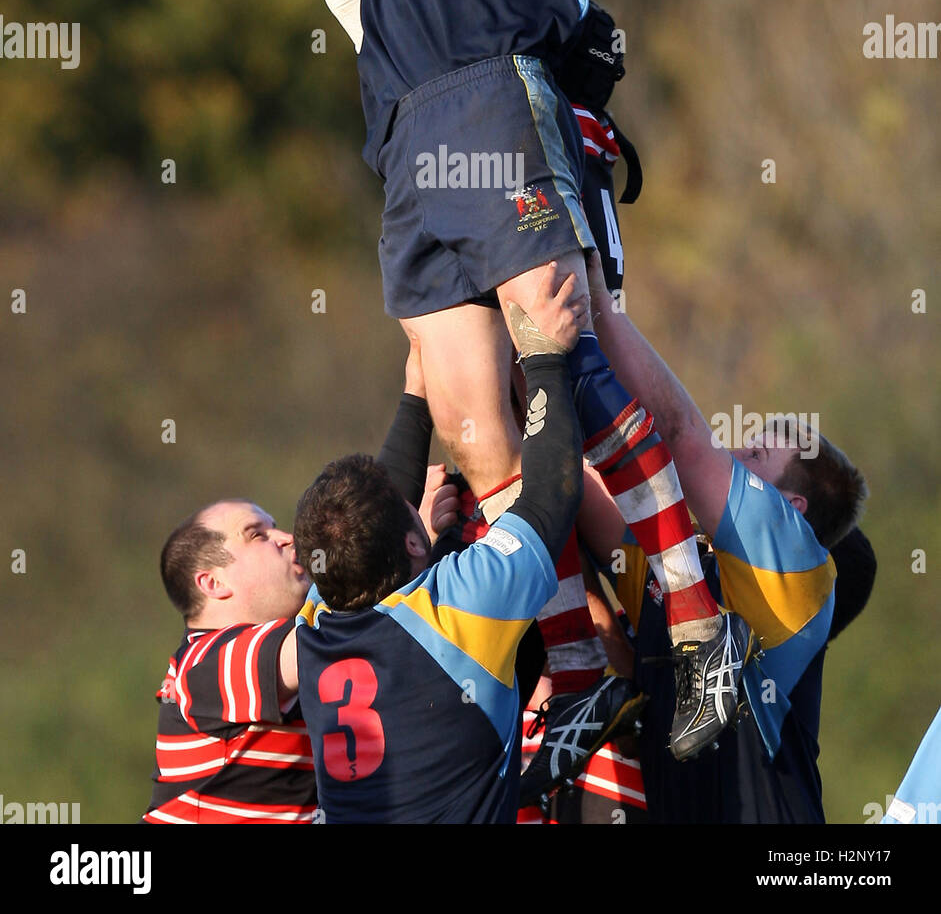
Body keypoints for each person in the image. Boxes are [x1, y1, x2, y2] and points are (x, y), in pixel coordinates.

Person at [212, 0, 749, 759]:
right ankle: (572, 662)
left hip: (491, 99)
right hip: (402, 135)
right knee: (470, 429)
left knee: (572, 358)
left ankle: (697, 628)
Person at [567, 260, 870, 821]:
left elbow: (677, 435)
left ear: (790, 512)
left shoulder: (797, 573)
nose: (730, 458)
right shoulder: (681, 563)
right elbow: (569, 486)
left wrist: (588, 285)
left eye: (753, 458)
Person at [292, 267, 592, 823]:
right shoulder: (457, 612)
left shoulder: (316, 621)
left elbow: (367, 517)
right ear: (412, 542)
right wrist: (545, 356)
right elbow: (552, 496)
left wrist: (416, 395)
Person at [143, 499, 317, 824]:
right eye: (256, 535)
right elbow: (327, 642)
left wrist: (411, 537)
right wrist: (380, 544)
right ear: (213, 583)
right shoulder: (206, 662)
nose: (287, 537)